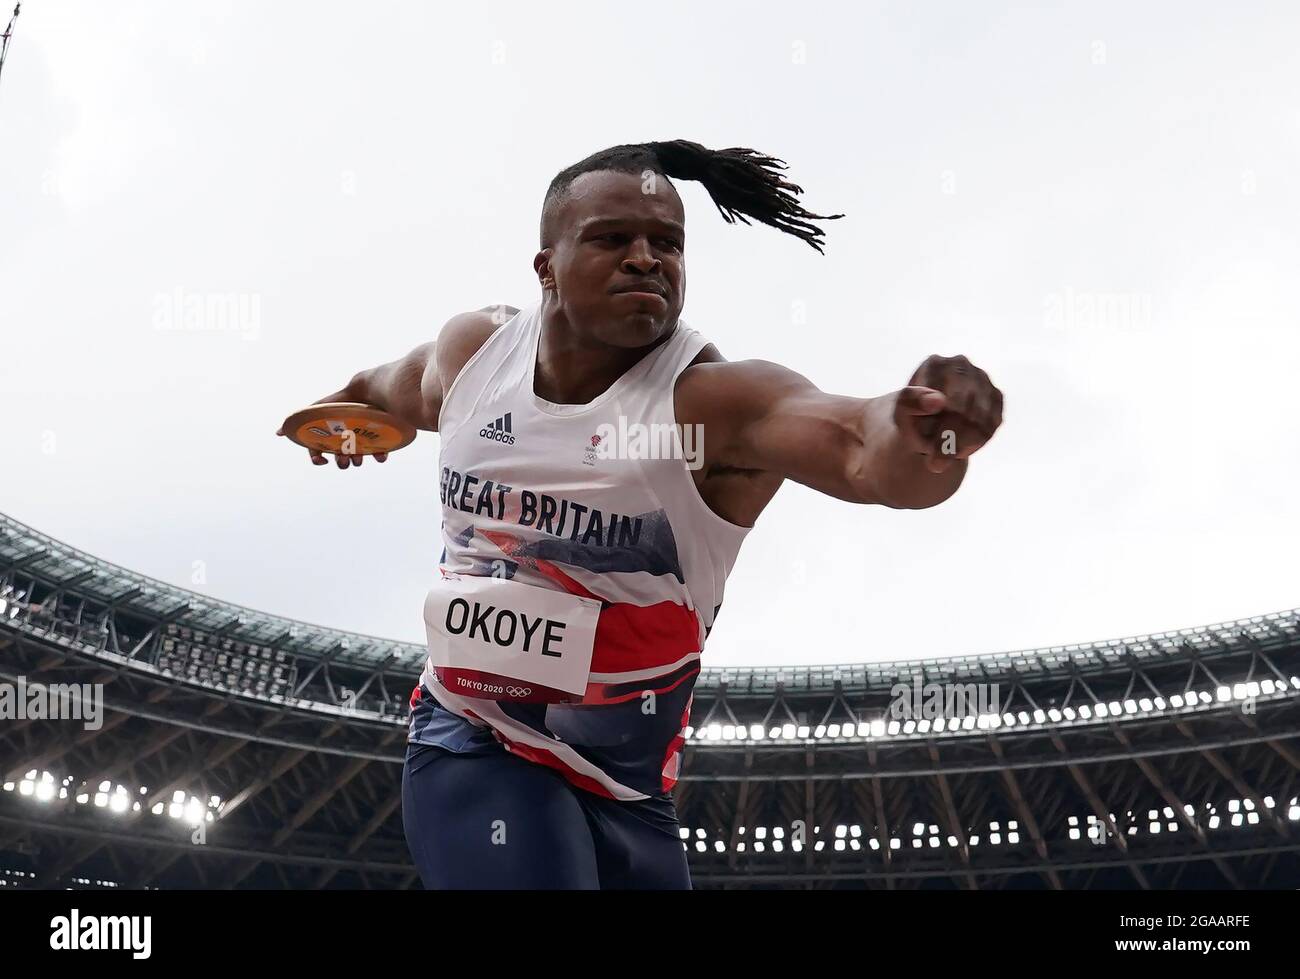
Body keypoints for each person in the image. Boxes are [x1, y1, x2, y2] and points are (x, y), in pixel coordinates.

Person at [279, 139, 1004, 889]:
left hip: (630, 791)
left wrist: (930, 435)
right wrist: (340, 422)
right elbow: (383, 385)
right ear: (545, 268)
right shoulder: (476, 357)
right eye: (611, 239)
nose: (644, 259)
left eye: (668, 244)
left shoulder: (711, 405)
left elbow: (863, 449)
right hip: (475, 742)